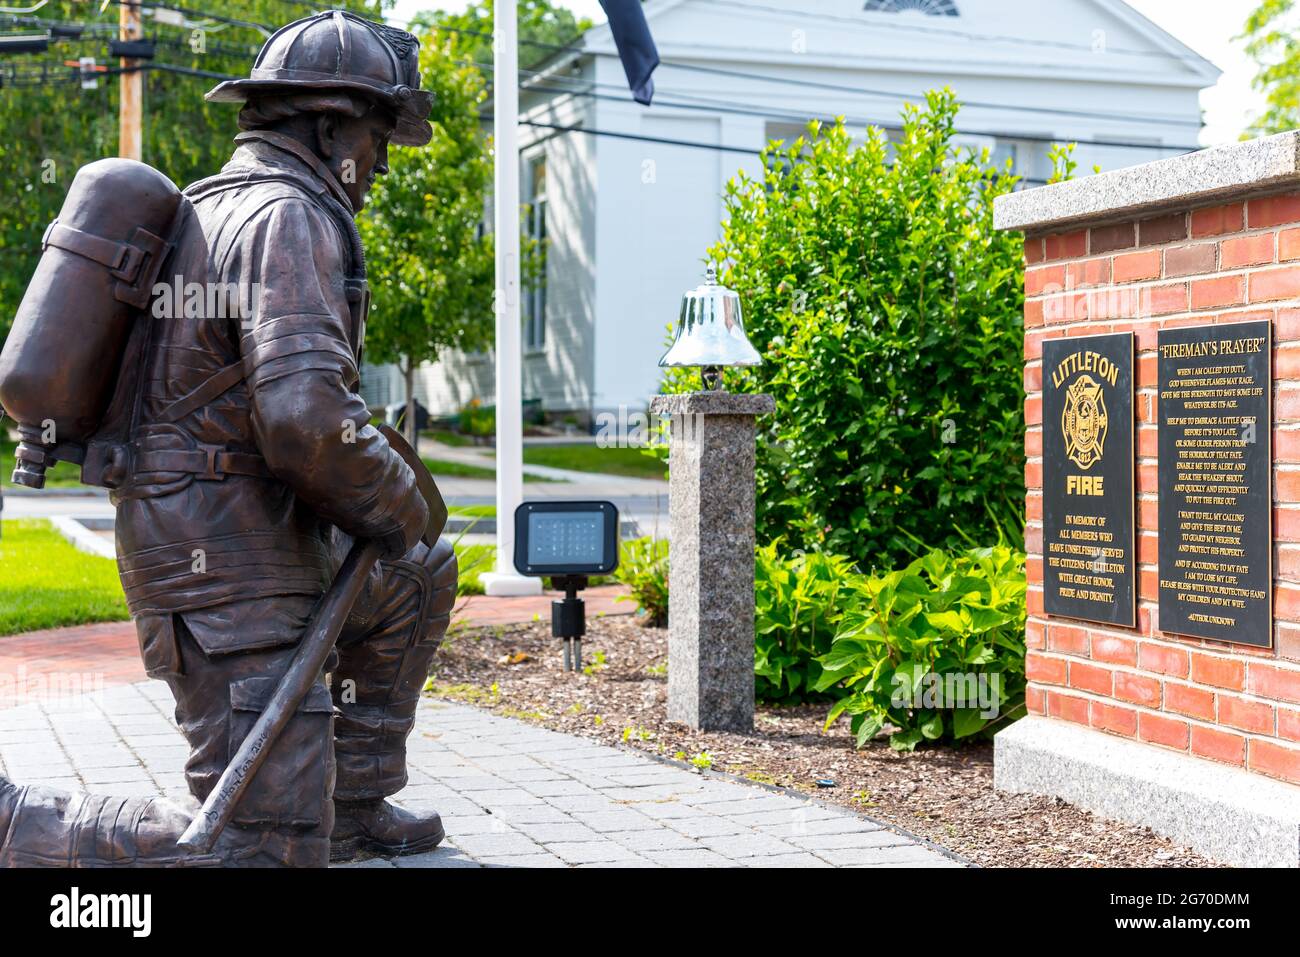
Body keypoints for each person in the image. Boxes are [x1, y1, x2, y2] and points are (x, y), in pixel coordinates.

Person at [0, 11, 457, 869]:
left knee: (416, 575)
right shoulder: (289, 218)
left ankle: (350, 804)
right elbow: (305, 424)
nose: (384, 160)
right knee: (258, 851)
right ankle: (27, 824)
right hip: (232, 574)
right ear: (328, 126)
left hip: (232, 542)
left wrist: (401, 522)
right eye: (377, 133)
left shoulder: (218, 205)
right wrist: (398, 498)